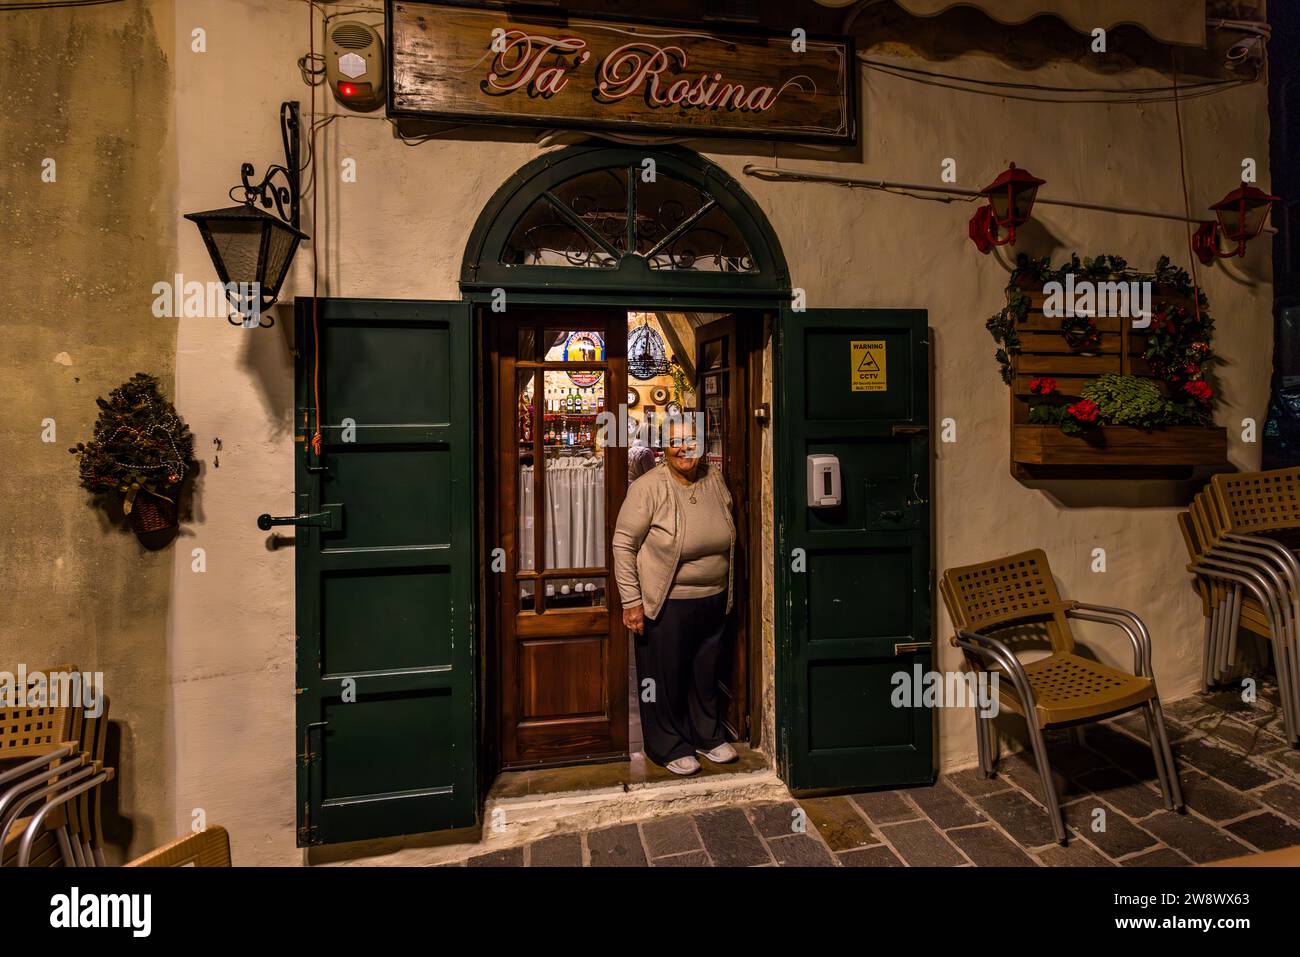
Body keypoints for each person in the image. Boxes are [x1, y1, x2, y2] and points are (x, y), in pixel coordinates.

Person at [612, 415, 737, 775]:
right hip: (666, 601)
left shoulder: (714, 479)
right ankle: (666, 744)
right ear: (663, 448)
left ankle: (707, 735)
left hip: (713, 597)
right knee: (664, 677)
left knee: (704, 672)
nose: (684, 448)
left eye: (691, 439)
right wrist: (631, 601)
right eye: (676, 441)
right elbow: (623, 544)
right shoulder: (648, 487)